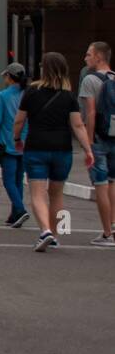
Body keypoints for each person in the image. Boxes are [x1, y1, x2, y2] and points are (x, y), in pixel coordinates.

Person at [14, 51, 95, 252]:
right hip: (62, 150)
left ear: (45, 69)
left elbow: (19, 120)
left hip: (36, 147)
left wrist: (16, 138)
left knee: (38, 193)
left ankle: (45, 231)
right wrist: (88, 149)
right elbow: (77, 125)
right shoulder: (67, 95)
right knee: (57, 194)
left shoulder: (31, 92)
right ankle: (55, 235)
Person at [78, 42, 115, 246]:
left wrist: (89, 142)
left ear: (99, 57)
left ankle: (107, 233)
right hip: (114, 136)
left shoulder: (89, 80)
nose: (85, 58)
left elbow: (90, 113)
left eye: (88, 54)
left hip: (99, 138)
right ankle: (114, 226)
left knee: (100, 184)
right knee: (112, 182)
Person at [0, 62, 30, 228]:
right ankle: (14, 215)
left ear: (10, 78)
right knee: (18, 180)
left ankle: (20, 209)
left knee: (8, 180)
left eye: (6, 76)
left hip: (8, 143)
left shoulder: (2, 96)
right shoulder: (28, 94)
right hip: (26, 142)